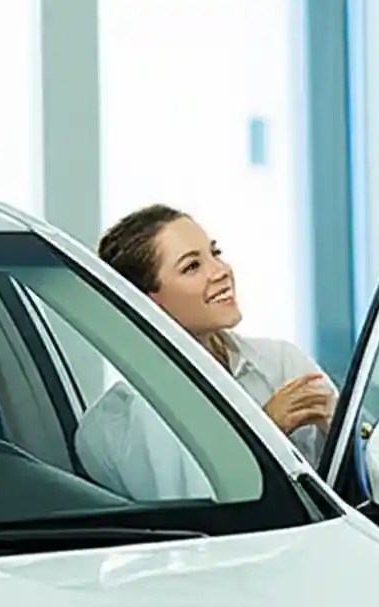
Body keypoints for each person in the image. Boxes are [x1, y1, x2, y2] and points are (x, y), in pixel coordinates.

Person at [75, 203, 335, 500]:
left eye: (215, 253)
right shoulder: (125, 421)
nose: (221, 271)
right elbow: (198, 524)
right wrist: (266, 430)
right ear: (146, 303)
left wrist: (337, 429)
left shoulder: (283, 363)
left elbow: (354, 477)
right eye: (192, 267)